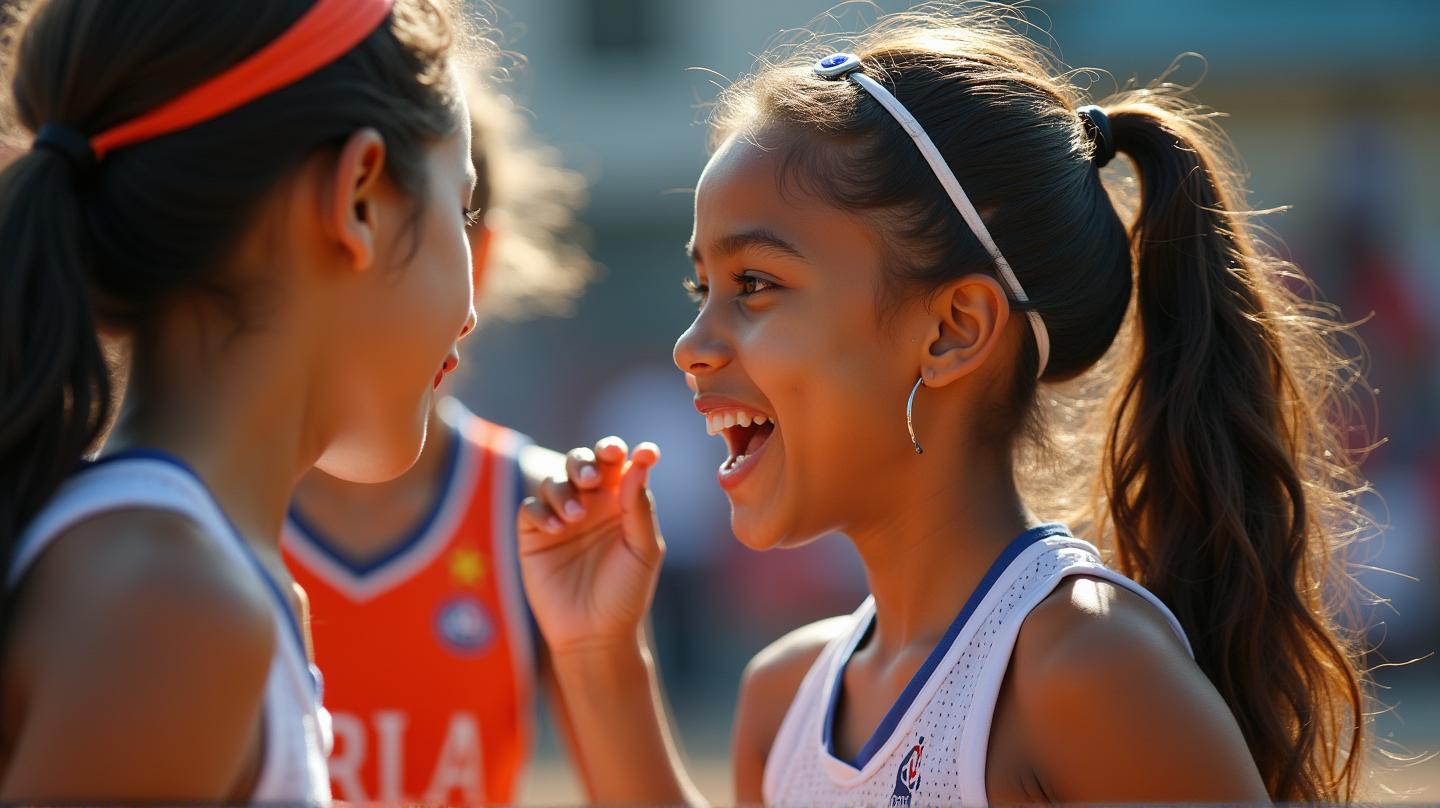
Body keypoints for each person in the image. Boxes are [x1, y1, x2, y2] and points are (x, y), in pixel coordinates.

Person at [517, 5, 1371, 805]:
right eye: (701, 285)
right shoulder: (781, 700)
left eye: (754, 283)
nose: (690, 345)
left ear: (955, 330)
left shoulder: (1088, 672)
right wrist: (598, 652)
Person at [0, 0, 476, 801]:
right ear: (358, 196)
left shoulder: (178, 580)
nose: (470, 303)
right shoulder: (172, 610)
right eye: (460, 207)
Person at [282, 78, 591, 803]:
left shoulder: (535, 506)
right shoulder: (199, 514)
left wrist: (606, 651)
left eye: (460, 220)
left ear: (479, 257)